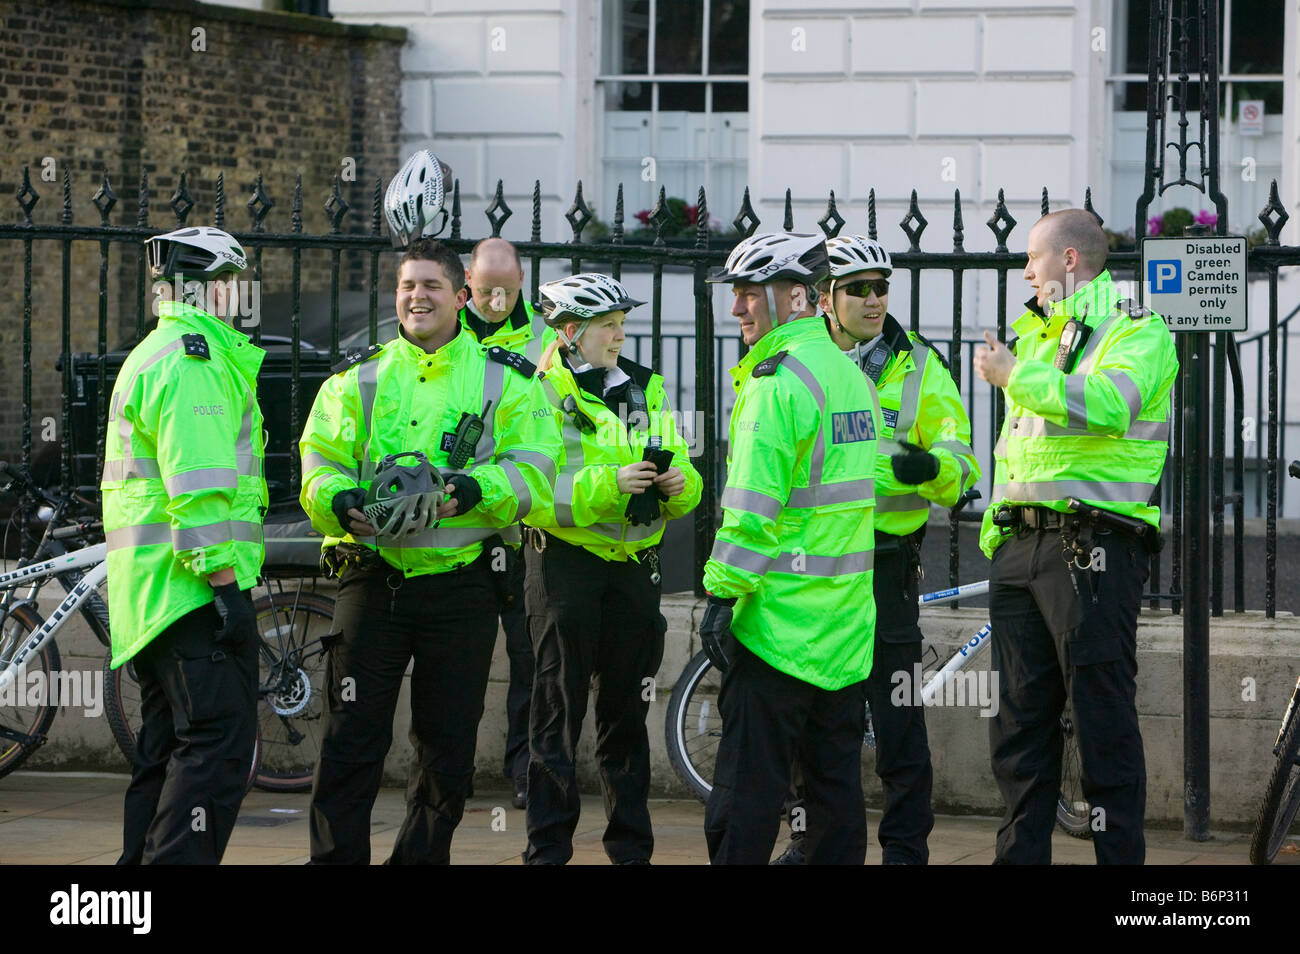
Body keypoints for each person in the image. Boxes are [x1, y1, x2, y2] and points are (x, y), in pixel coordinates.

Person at [298, 154, 560, 864]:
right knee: (352, 736)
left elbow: (536, 468)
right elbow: (317, 460)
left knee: (445, 747)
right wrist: (337, 501)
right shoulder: (358, 380)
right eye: (409, 285)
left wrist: (478, 489)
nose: (419, 296)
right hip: (371, 579)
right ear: (398, 293)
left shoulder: (505, 380)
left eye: (433, 286)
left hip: (463, 588)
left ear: (461, 295)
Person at [973, 207, 1177, 864]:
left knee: (1100, 722)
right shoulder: (1035, 335)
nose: (1026, 272)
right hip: (1020, 547)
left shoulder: (1137, 329)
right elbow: (1020, 450)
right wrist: (996, 535)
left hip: (1092, 545)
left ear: (1068, 260)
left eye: (1034, 259)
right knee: (1019, 729)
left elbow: (1112, 406)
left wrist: (1015, 378)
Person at [770, 235, 982, 865]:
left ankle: (905, 852)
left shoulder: (919, 364)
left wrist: (928, 468)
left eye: (880, 287)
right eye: (857, 287)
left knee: (897, 720)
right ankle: (809, 844)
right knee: (813, 716)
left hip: (886, 565)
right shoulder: (800, 359)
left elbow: (963, 464)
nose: (872, 299)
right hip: (817, 568)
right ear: (825, 298)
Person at [699, 232, 882, 865]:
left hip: (776, 631)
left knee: (745, 798)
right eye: (737, 295)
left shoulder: (776, 383)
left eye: (750, 294)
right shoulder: (850, 377)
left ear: (798, 296)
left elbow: (751, 511)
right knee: (833, 800)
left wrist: (721, 596)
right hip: (844, 631)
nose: (737, 309)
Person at [522, 273, 701, 865]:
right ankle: (547, 850)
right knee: (558, 715)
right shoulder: (536, 391)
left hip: (633, 572)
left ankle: (631, 850)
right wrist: (609, 483)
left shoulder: (644, 387)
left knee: (625, 716)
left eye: (623, 324)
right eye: (608, 325)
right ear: (571, 332)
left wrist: (679, 484)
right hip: (565, 569)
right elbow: (527, 491)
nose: (620, 335)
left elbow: (684, 469)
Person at [104, 225, 267, 864]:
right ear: (211, 287)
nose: (238, 292)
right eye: (231, 280)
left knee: (168, 745)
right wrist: (227, 591)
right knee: (217, 747)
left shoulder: (156, 350)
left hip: (153, 594)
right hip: (191, 591)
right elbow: (196, 489)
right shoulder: (192, 361)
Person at [458, 237, 551, 809]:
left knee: (528, 655)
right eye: (486, 289)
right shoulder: (447, 328)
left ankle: (525, 766)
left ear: (521, 282)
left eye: (507, 290)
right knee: (458, 658)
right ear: (467, 282)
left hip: (521, 526)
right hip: (459, 524)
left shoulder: (545, 337)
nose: (496, 300)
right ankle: (451, 765)